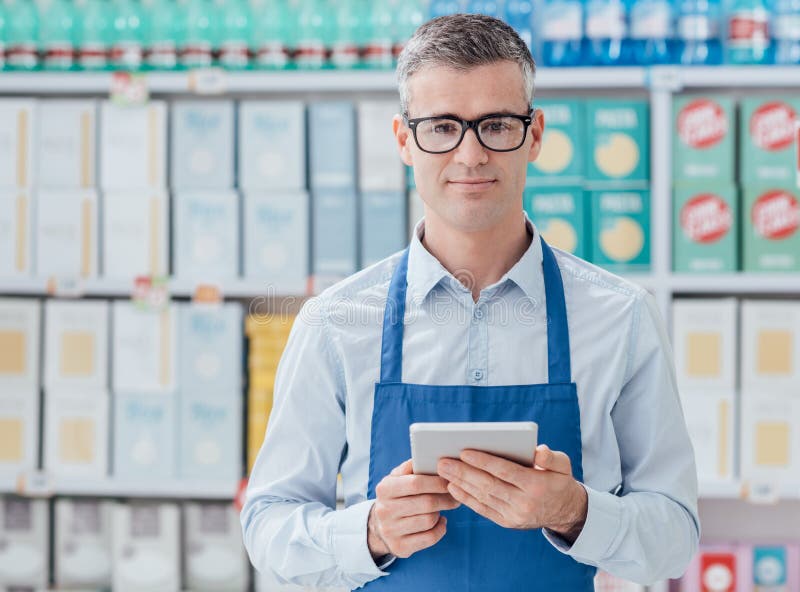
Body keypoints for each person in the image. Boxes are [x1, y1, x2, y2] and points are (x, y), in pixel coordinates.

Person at [242, 13, 699, 591]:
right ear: (405, 140)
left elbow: (676, 537)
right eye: (441, 127)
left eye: (496, 125)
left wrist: (576, 512)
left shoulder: (621, 317)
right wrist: (372, 533)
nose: (470, 154)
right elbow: (266, 525)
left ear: (533, 136)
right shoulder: (335, 322)